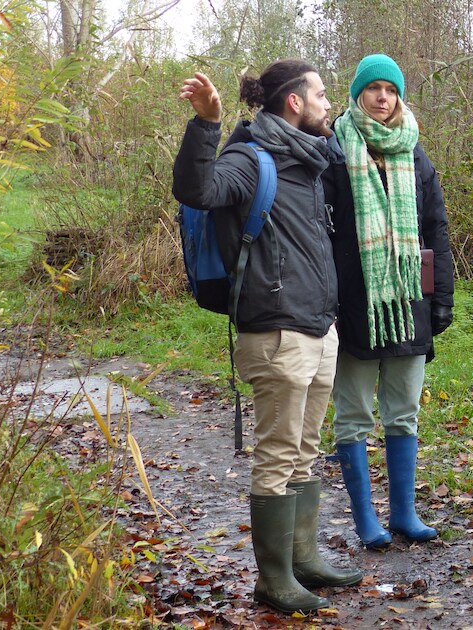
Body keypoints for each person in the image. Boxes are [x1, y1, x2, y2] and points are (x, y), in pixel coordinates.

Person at [172, 60, 363, 614]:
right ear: (294, 103)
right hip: (276, 332)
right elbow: (197, 188)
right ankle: (274, 580)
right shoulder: (250, 159)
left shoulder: (308, 160)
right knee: (278, 456)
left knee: (304, 452)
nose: (330, 104)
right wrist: (207, 124)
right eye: (322, 95)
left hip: (318, 328)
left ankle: (304, 561)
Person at [322, 54, 455, 547]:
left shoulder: (414, 154)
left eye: (391, 90)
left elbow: (437, 231)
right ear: (358, 93)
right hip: (354, 303)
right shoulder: (333, 151)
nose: (383, 97)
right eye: (374, 88)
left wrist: (442, 298)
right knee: (354, 412)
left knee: (404, 410)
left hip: (407, 300)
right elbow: (319, 234)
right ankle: (365, 519)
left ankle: (404, 513)